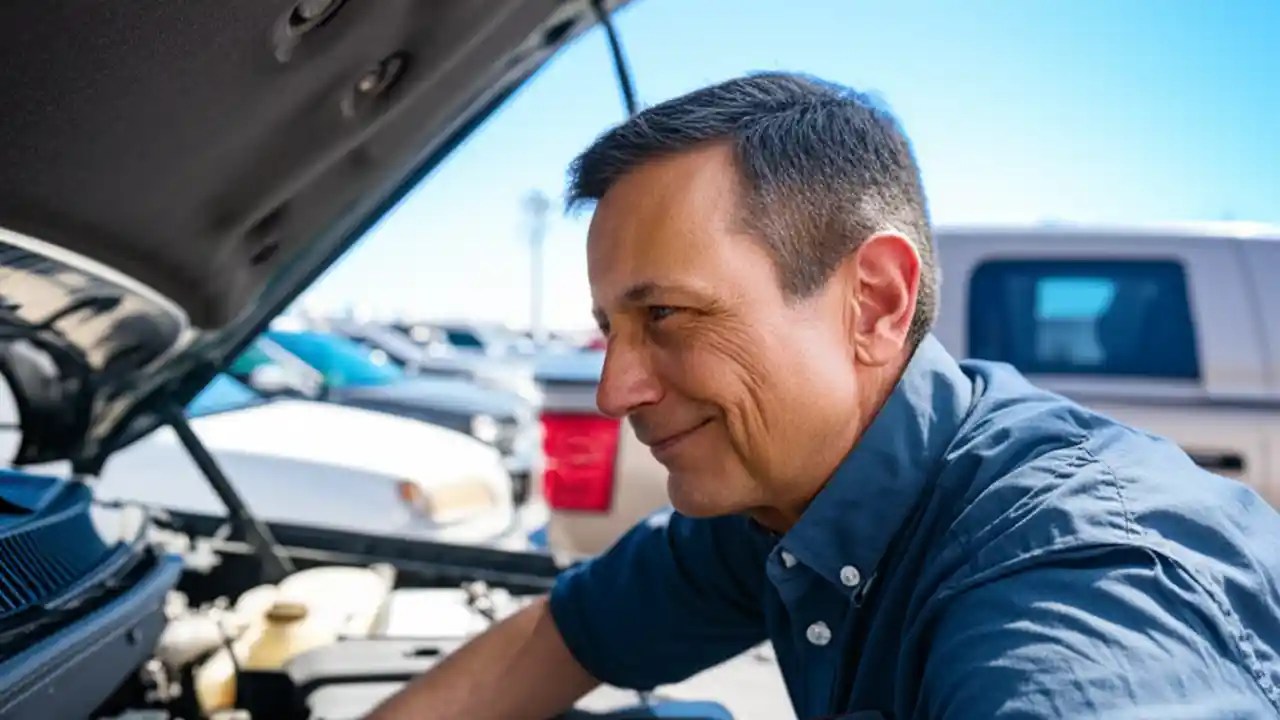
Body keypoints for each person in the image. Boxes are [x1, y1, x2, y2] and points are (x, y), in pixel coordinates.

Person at [366, 72, 1280, 719]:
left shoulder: (1068, 598)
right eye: (611, 328)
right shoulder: (783, 500)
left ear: (874, 302)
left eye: (671, 315)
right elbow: (567, 637)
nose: (615, 390)